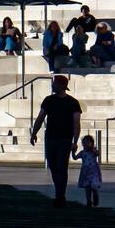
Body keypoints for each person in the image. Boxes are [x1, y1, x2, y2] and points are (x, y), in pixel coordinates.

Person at [29, 75, 83, 207]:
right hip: (51, 137)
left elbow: (77, 123)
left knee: (61, 167)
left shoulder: (73, 103)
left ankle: (60, 196)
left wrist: (75, 141)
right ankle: (59, 193)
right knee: (54, 167)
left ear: (61, 85)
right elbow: (40, 117)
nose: (52, 86)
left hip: (64, 138)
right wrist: (34, 132)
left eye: (55, 84)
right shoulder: (49, 100)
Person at [73, 134, 103, 207]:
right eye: (84, 143)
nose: (85, 144)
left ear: (91, 143)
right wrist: (73, 151)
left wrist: (93, 149)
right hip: (85, 172)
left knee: (94, 186)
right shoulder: (82, 153)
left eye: (87, 143)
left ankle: (95, 197)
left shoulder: (93, 151)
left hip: (94, 172)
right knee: (87, 188)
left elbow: (98, 153)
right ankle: (89, 201)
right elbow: (75, 158)